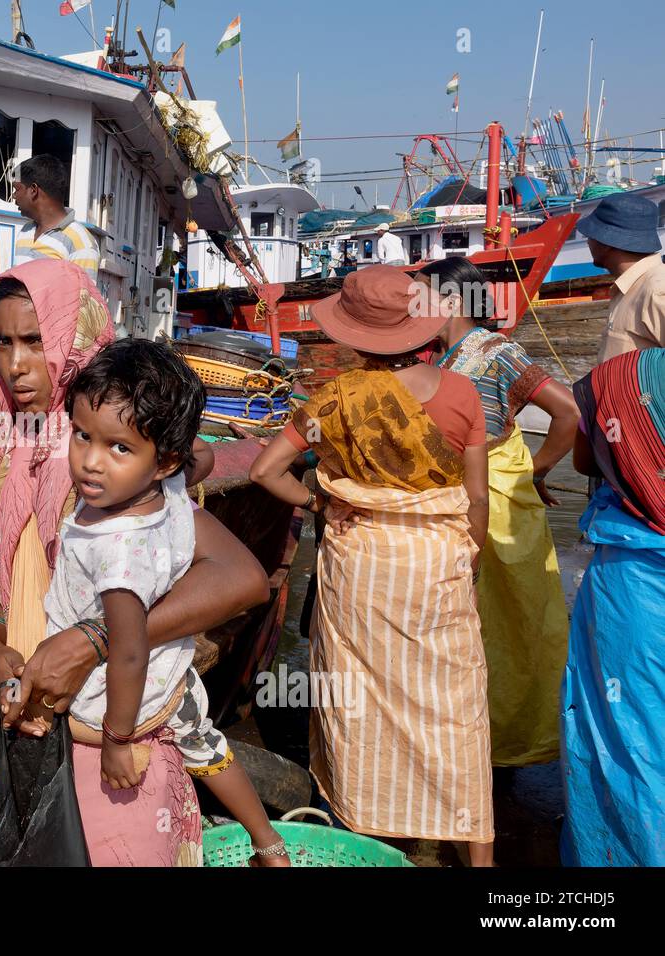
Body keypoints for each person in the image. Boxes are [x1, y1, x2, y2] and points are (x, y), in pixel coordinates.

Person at [0, 258, 272, 866]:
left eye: (36, 341)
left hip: (103, 723)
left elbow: (243, 579)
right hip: (28, 711)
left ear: (74, 342)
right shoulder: (12, 443)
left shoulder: (114, 458)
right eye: (2, 342)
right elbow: (8, 565)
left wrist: (94, 640)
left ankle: (269, 843)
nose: (16, 363)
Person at [249, 265, 495, 866]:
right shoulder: (462, 395)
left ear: (355, 337)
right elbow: (479, 498)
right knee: (453, 709)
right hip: (437, 566)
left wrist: (318, 501)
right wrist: (470, 557)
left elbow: (264, 471)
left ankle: (372, 840)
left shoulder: (332, 400)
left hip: (362, 567)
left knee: (360, 708)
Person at [419, 257, 578, 768]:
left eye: (418, 293)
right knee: (465, 625)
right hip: (455, 497)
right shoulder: (437, 356)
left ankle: (498, 747)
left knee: (504, 625)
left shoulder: (496, 350)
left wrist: (536, 470)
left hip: (495, 500)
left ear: (448, 300)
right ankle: (466, 740)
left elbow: (568, 412)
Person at [562, 348, 665, 866]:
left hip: (636, 576)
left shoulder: (625, 378)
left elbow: (584, 459)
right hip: (636, 571)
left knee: (630, 734)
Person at [0, 155, 100, 365]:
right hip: (12, 346)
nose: (14, 197)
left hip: (45, 356)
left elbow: (82, 312)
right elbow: (12, 294)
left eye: (17, 189)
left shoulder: (80, 241)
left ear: (33, 190)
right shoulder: (24, 233)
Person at [575, 192, 665, 362]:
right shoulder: (630, 287)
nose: (588, 242)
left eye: (590, 235)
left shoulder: (657, 291)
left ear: (607, 242)